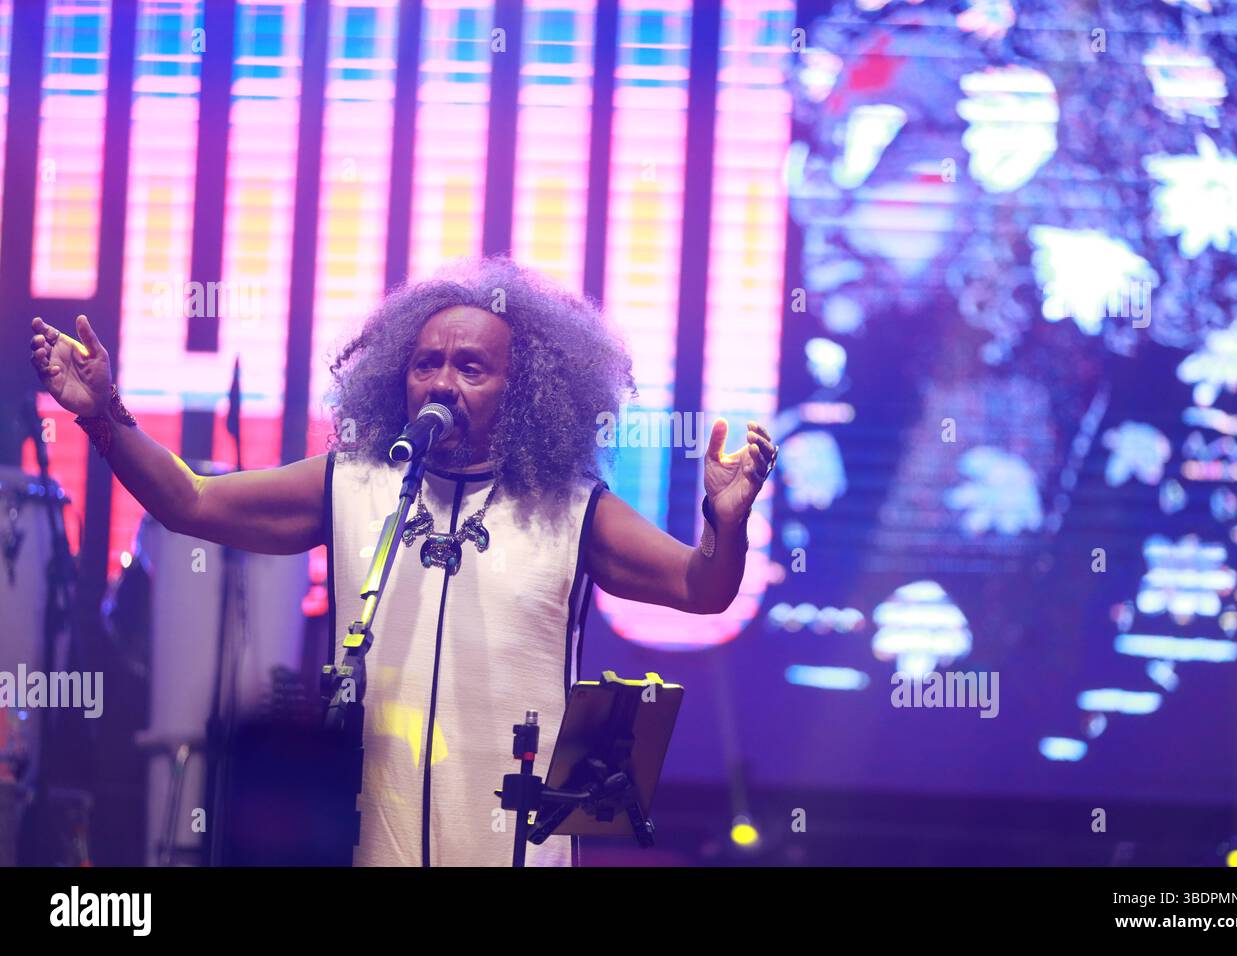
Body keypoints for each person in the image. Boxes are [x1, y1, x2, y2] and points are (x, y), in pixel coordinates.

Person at [29, 256, 778, 866]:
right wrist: (102, 413)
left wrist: (724, 523)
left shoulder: (570, 507)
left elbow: (699, 587)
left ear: (522, 393)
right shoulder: (352, 480)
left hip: (517, 850)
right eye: (426, 364)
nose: (442, 381)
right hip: (370, 844)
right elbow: (190, 503)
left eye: (471, 368)